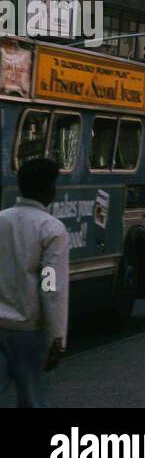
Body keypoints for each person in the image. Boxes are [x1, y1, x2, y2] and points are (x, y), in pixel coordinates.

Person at [0, 157, 69, 408]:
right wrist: (58, 336)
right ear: (47, 189)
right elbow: (51, 286)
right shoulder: (51, 229)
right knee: (32, 400)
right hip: (30, 330)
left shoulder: (2, 220)